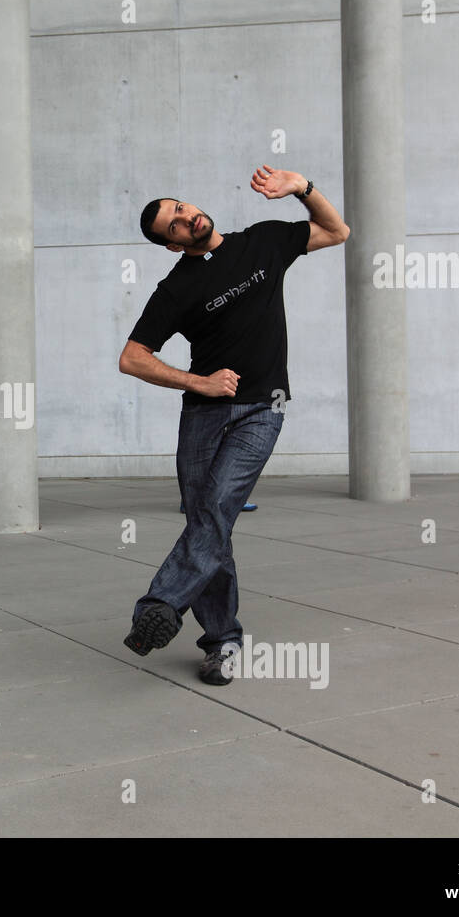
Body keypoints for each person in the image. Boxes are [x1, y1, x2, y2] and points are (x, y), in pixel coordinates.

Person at [119, 165, 349, 685]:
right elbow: (133, 358)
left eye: (180, 207)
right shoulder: (176, 288)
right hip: (204, 415)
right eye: (172, 226)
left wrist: (303, 190)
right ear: (172, 246)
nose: (184, 219)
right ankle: (222, 642)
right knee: (210, 524)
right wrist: (197, 383)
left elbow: (338, 232)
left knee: (217, 508)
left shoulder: (264, 241)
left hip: (262, 407)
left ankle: (160, 605)